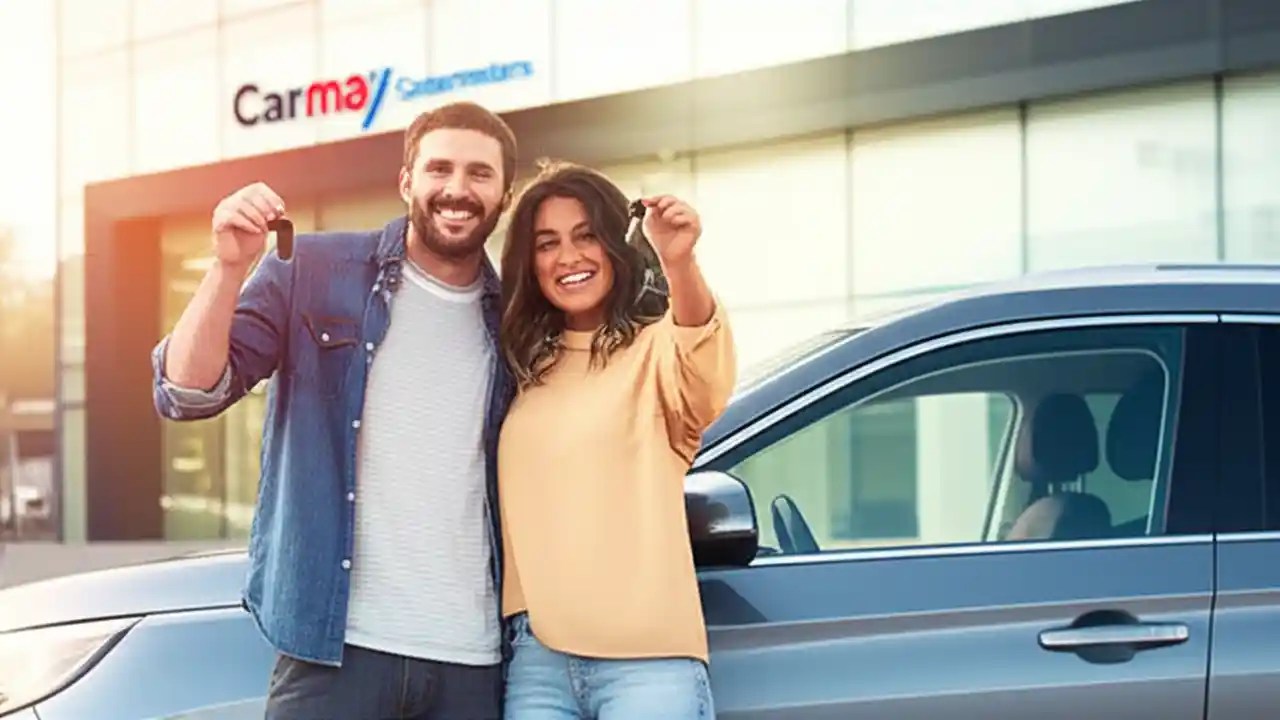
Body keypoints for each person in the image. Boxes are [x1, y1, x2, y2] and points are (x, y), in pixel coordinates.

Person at [150, 101, 519, 720]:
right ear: (407, 181)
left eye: (480, 174)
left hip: (472, 662)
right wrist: (228, 267)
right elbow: (189, 392)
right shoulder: (314, 270)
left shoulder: (515, 318)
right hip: (332, 656)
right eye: (440, 169)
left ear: (505, 193)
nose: (458, 189)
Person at [496, 161, 737, 719]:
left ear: (615, 245)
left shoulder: (657, 352)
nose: (569, 257)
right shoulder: (524, 369)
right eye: (547, 243)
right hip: (537, 661)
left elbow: (701, 351)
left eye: (586, 236)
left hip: (646, 665)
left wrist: (680, 262)